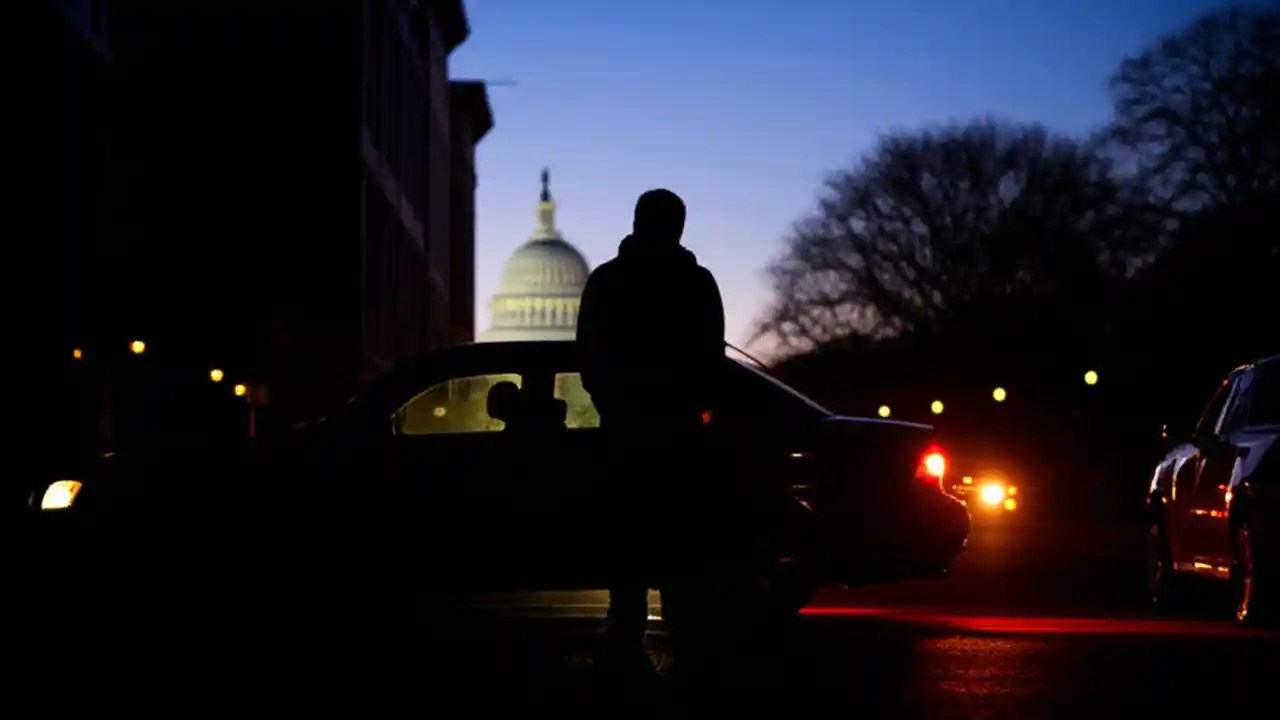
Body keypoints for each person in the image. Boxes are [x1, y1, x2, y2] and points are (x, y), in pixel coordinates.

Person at [576, 188, 726, 673]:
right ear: (678, 227)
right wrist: (694, 411)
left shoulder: (606, 282)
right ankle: (682, 631)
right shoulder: (697, 284)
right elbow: (711, 361)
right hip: (680, 435)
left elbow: (590, 358)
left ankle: (627, 625)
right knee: (679, 537)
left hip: (624, 432)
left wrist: (616, 405)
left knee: (628, 537)